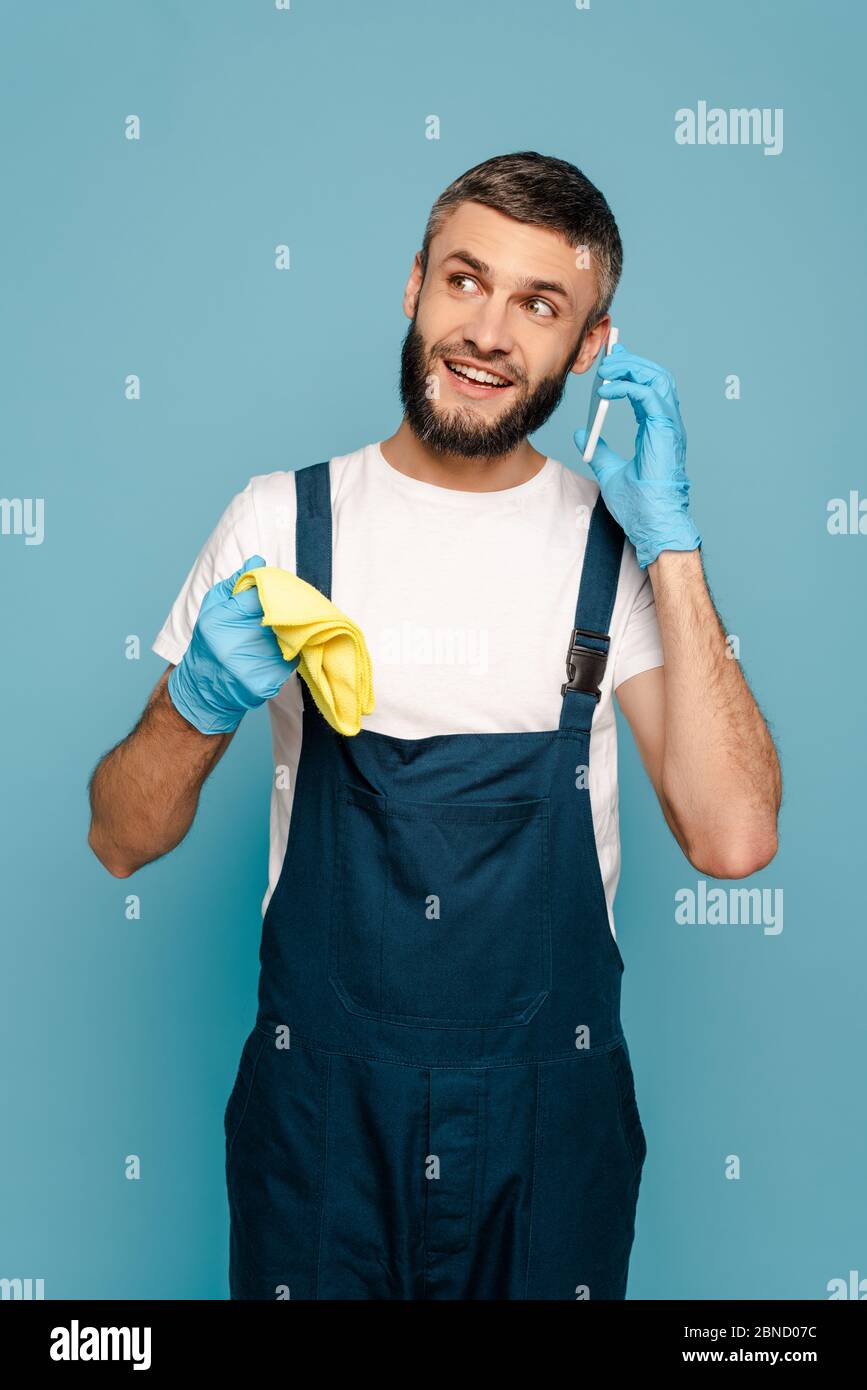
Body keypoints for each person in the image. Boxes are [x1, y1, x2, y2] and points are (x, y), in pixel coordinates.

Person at [87, 151, 781, 1300]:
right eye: (466, 280)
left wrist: (674, 548)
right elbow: (120, 836)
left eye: (539, 304)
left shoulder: (615, 552)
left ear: (589, 346)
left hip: (551, 1135)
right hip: (319, 1136)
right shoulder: (281, 520)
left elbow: (733, 837)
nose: (489, 332)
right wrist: (194, 707)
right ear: (413, 285)